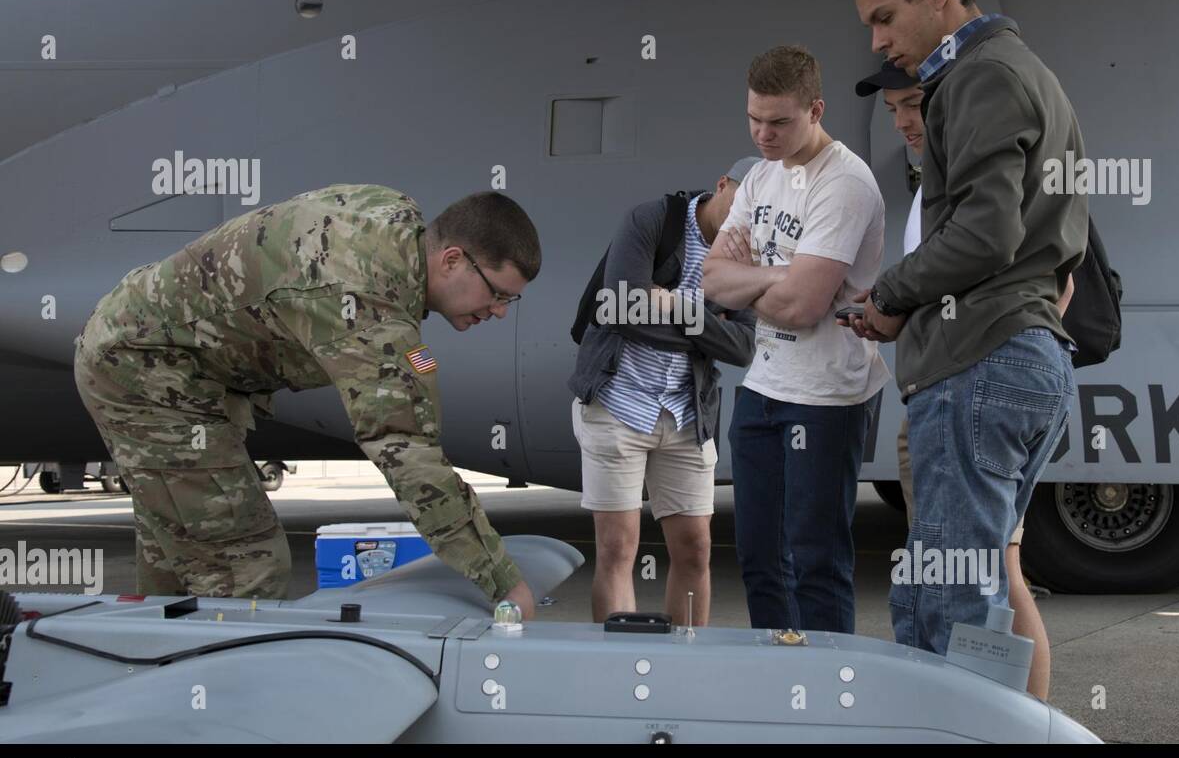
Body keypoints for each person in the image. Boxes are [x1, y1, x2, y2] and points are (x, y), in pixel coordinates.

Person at [74, 184, 541, 616]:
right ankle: (226, 699)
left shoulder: (395, 219)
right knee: (244, 568)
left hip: (163, 357)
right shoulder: (363, 300)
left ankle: (153, 675)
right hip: (146, 372)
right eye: (497, 293)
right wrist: (500, 580)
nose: (498, 311)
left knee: (178, 556)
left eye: (511, 302)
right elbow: (408, 452)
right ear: (452, 259)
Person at [834, 0, 1087, 656]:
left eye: (884, 17)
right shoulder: (1019, 70)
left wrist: (887, 296)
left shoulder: (979, 75)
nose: (878, 42)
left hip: (979, 363)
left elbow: (985, 233)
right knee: (948, 590)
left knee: (952, 609)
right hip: (1015, 355)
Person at [856, 59, 1071, 699]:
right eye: (893, 109)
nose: (904, 122)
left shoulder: (980, 170)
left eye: (915, 105)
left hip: (969, 376)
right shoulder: (951, 182)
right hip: (990, 374)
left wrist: (890, 302)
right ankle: (1025, 727)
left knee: (952, 587)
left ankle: (977, 726)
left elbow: (1049, 277)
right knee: (992, 568)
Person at [703, 45, 890, 635]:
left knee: (816, 559)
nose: (763, 133)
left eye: (779, 121)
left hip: (827, 394)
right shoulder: (760, 176)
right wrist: (783, 276)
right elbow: (710, 280)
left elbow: (805, 307)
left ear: (816, 110)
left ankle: (829, 697)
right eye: (754, 119)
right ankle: (777, 682)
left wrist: (759, 279)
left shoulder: (845, 183)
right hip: (762, 386)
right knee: (759, 559)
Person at [569, 160, 758, 625]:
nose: (746, 223)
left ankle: (683, 671)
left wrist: (673, 303)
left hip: (686, 415)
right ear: (721, 187)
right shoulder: (652, 220)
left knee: (695, 550)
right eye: (743, 206)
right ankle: (618, 672)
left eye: (761, 215)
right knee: (618, 549)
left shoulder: (750, 256)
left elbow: (743, 347)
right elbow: (623, 309)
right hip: (618, 403)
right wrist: (709, 326)